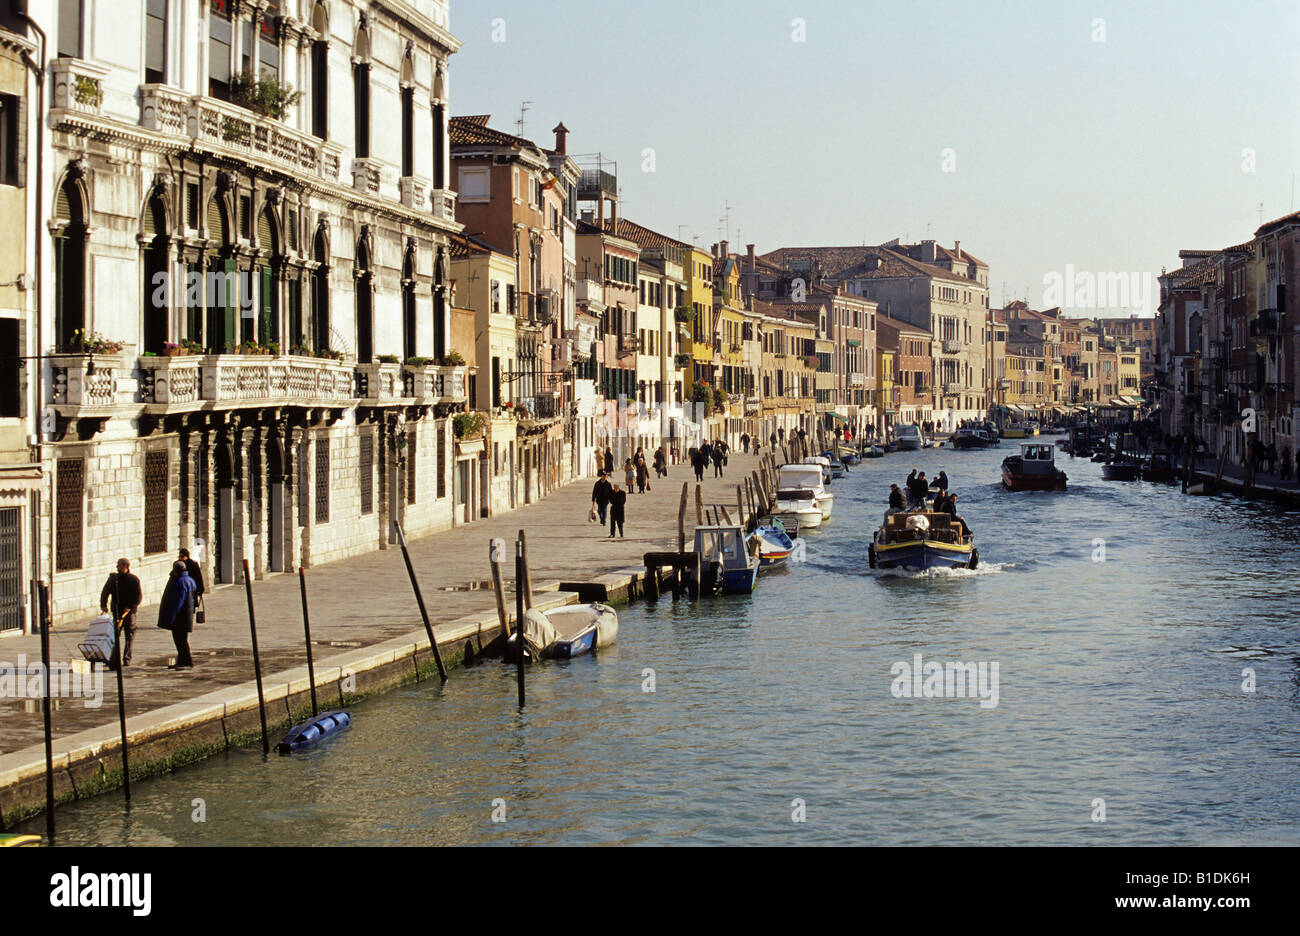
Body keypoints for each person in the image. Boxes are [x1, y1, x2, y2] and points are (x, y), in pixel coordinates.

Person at [99, 558, 142, 670]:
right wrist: (103, 604)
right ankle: (113, 660)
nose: (117, 567)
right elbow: (105, 591)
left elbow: (138, 597)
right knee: (114, 636)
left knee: (129, 636)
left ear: (125, 566)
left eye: (119, 565)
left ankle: (126, 659)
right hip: (117, 611)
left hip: (129, 612)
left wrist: (131, 608)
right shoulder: (113, 579)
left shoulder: (133, 580)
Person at [157, 560, 198, 669]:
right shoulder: (190, 580)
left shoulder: (180, 582)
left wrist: (170, 618)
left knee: (180, 641)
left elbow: (177, 602)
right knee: (182, 640)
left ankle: (186, 661)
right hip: (186, 615)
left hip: (180, 617)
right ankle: (183, 661)